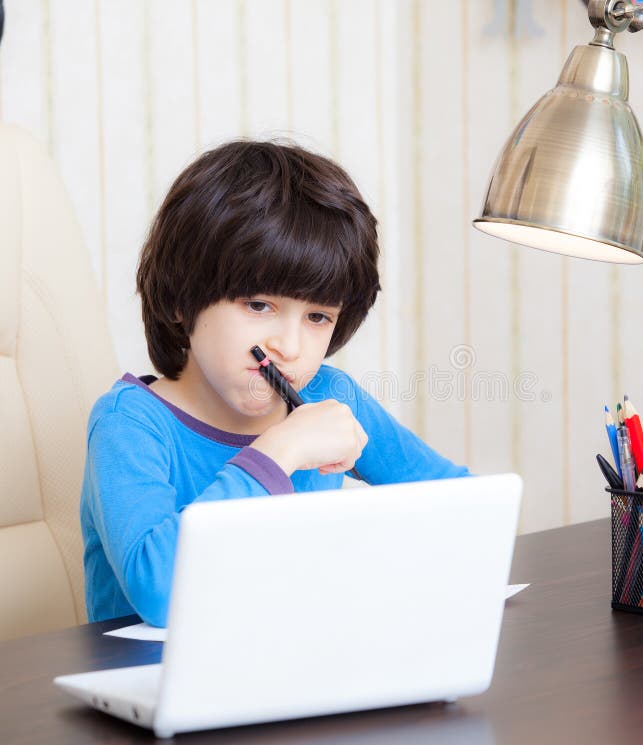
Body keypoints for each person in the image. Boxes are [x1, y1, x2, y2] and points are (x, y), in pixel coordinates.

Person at [81, 140, 470, 627]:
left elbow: (458, 502)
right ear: (183, 300)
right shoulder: (130, 424)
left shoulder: (330, 397)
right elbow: (160, 592)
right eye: (259, 306)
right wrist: (278, 452)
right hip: (154, 680)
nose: (289, 344)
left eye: (317, 316)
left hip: (298, 663)